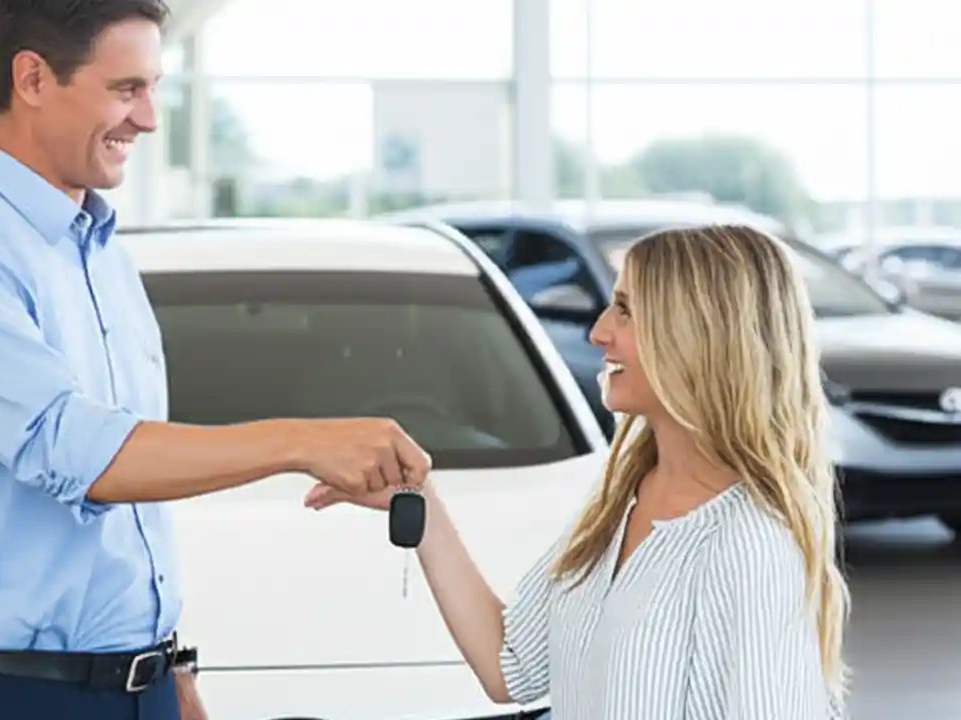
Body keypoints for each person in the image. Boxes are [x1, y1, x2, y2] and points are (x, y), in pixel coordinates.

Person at [0, 2, 432, 719]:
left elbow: (130, 504)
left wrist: (169, 663)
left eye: (153, 88)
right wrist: (303, 442)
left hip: (142, 690)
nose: (149, 119)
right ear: (34, 78)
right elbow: (77, 454)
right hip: (13, 698)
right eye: (125, 89)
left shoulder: (100, 250)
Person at [307, 224, 851, 719]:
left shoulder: (750, 543)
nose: (597, 332)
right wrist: (421, 506)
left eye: (626, 311)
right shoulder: (624, 499)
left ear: (699, 336)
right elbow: (511, 668)